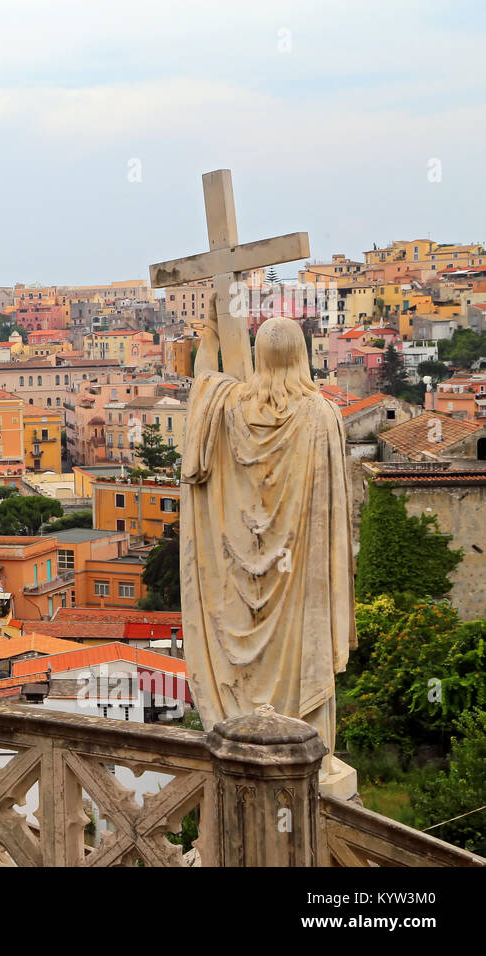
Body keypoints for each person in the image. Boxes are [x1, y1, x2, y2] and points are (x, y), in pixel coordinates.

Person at [181, 303, 355, 771]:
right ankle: (306, 745)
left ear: (259, 355)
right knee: (303, 660)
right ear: (303, 354)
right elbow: (334, 513)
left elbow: (202, 384)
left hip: (241, 587)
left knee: (246, 676)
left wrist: (212, 333)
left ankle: (241, 723)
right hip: (300, 581)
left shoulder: (228, 406)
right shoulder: (321, 416)